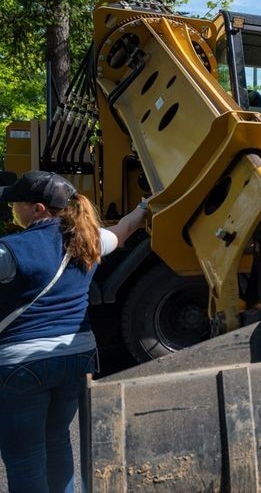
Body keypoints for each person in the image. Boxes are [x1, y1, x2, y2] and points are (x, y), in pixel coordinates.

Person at [0, 171, 148, 492]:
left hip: (21, 365)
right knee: (57, 444)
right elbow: (123, 230)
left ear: (37, 208)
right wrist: (145, 207)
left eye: (16, 204)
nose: (13, 210)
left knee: (25, 457)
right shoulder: (88, 240)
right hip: (77, 359)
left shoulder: (9, 250)